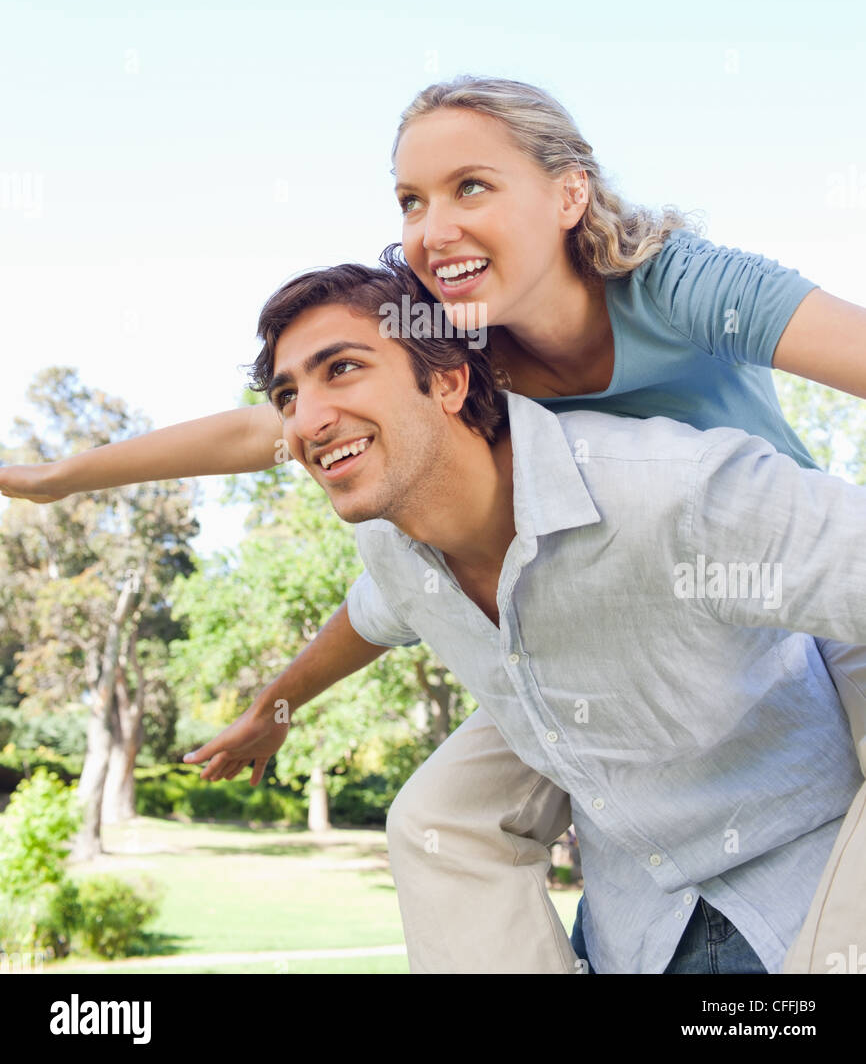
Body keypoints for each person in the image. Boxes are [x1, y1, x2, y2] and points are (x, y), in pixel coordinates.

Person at [2, 76, 866, 972]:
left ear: (571, 192)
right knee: (436, 817)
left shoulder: (678, 286)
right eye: (411, 200)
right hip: (599, 600)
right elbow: (301, 468)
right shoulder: (453, 349)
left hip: (787, 580)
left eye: (471, 187)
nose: (433, 227)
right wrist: (66, 477)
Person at [180, 257, 866, 974]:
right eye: (286, 396)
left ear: (447, 380)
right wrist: (274, 709)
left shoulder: (673, 494)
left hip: (797, 904)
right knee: (428, 819)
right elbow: (369, 616)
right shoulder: (396, 549)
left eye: (342, 369)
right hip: (628, 929)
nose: (306, 421)